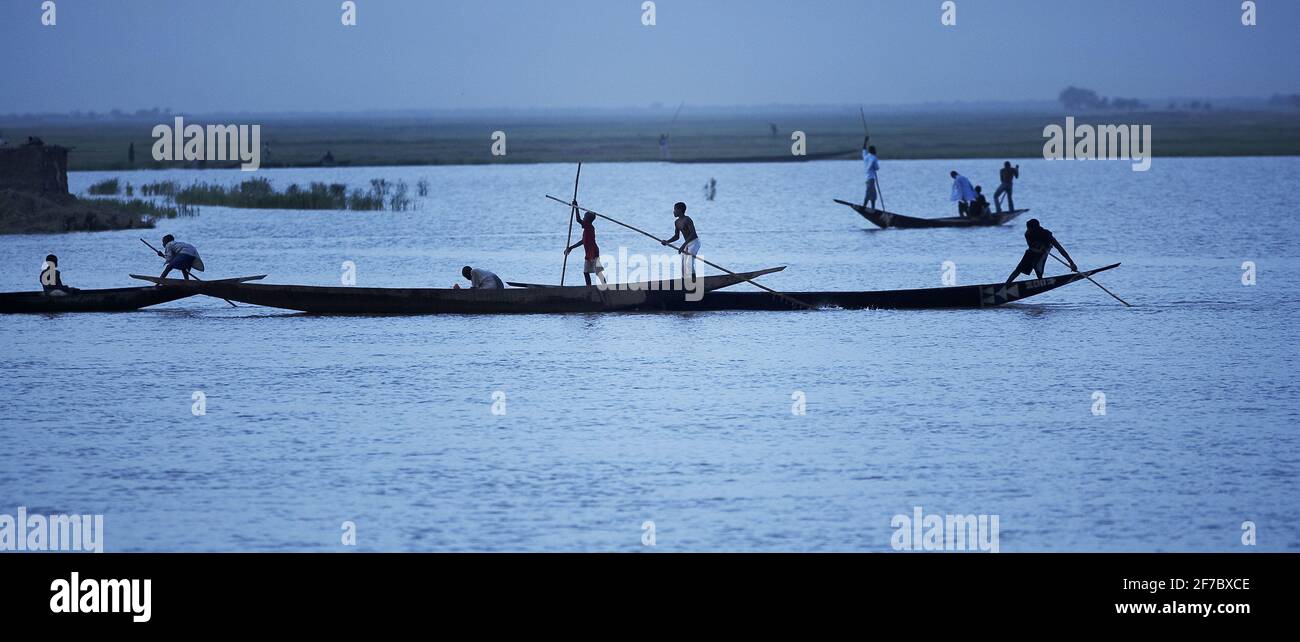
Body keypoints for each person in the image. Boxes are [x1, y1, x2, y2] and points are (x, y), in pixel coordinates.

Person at [1006, 219, 1077, 284]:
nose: (1028, 230)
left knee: (1037, 266)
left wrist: (1071, 263)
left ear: (1036, 228)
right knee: (1019, 269)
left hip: (1045, 251)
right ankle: (1006, 284)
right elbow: (1030, 247)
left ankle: (1040, 282)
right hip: (1033, 250)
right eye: (1028, 229)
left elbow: (1060, 249)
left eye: (1030, 229)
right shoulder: (1027, 234)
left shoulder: (1047, 235)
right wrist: (1037, 249)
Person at [564, 209, 608, 287]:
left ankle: (603, 287)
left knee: (595, 272)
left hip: (593, 253)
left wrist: (576, 207)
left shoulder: (589, 226)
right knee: (587, 272)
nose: (583, 219)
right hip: (590, 253)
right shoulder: (587, 229)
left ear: (587, 220)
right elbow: (583, 241)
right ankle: (589, 288)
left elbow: (578, 219)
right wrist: (571, 247)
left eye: (584, 217)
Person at [661, 201, 700, 279]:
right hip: (687, 243)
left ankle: (694, 283)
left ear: (680, 210)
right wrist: (667, 241)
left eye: (675, 209)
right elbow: (676, 236)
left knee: (689, 263)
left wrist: (683, 245)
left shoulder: (687, 219)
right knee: (683, 266)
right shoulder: (677, 222)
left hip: (694, 242)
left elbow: (693, 234)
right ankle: (684, 283)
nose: (673, 212)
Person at [862, 140, 880, 209]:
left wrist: (865, 141)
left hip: (867, 178)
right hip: (871, 178)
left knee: (873, 193)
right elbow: (877, 168)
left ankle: (873, 208)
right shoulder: (873, 158)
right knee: (870, 193)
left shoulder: (866, 156)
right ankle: (864, 206)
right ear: (874, 151)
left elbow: (864, 149)